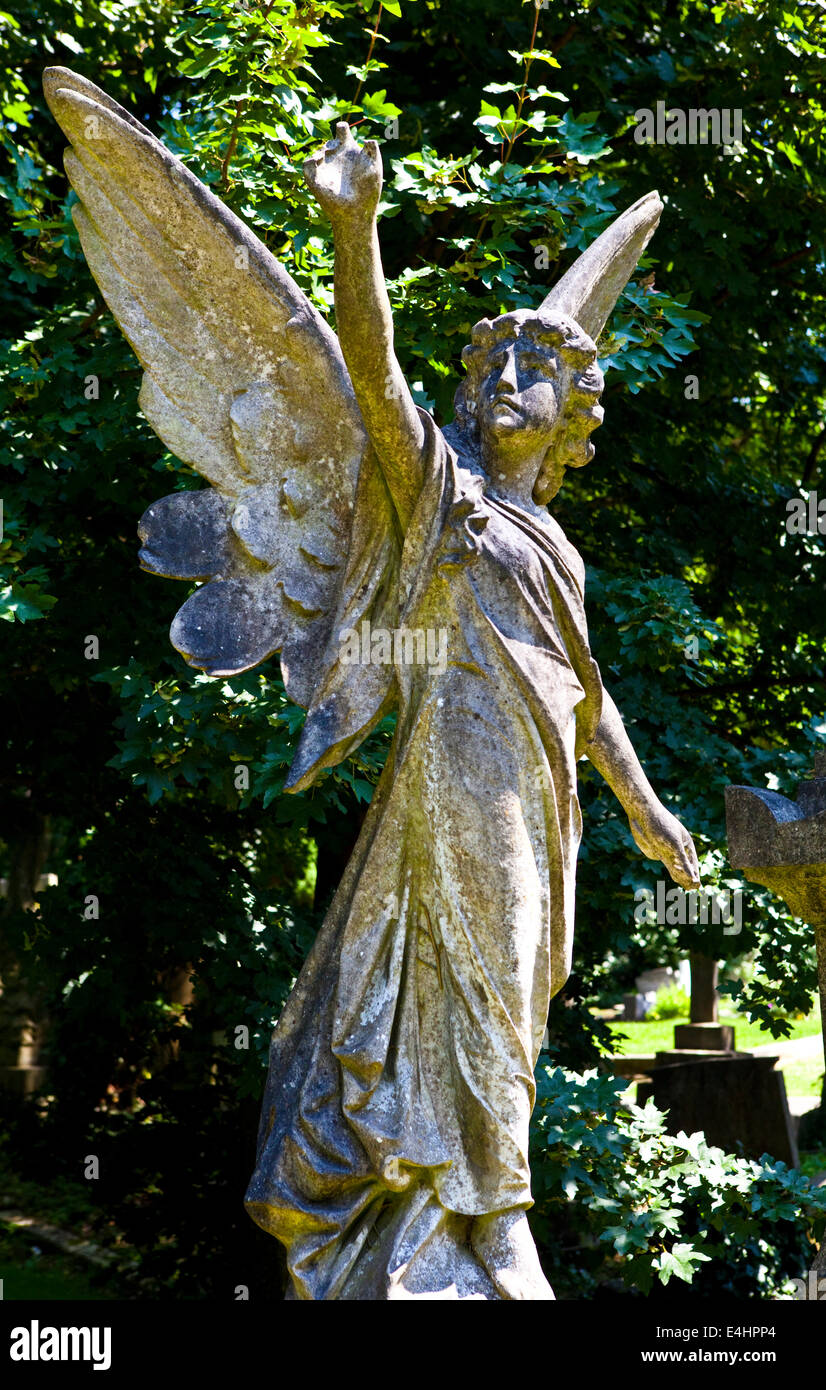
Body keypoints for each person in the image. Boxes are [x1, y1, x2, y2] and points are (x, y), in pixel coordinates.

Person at [244, 125, 700, 1301]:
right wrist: (355, 231)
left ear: (573, 409)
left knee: (510, 997)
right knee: (488, 988)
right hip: (454, 773)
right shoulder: (444, 500)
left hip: (540, 793)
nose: (504, 387)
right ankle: (497, 1223)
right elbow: (375, 373)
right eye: (490, 371)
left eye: (532, 372)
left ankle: (453, 1208)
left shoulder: (559, 546)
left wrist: (645, 812)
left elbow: (581, 693)